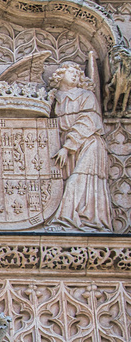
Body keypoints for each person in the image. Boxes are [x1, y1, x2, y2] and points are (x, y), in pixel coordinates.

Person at [51, 62, 111, 231]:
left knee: (78, 180)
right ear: (60, 75)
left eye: (78, 73)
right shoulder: (56, 98)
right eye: (71, 71)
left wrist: (68, 146)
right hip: (68, 145)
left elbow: (88, 120)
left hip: (87, 142)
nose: (75, 75)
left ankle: (77, 219)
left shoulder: (86, 95)